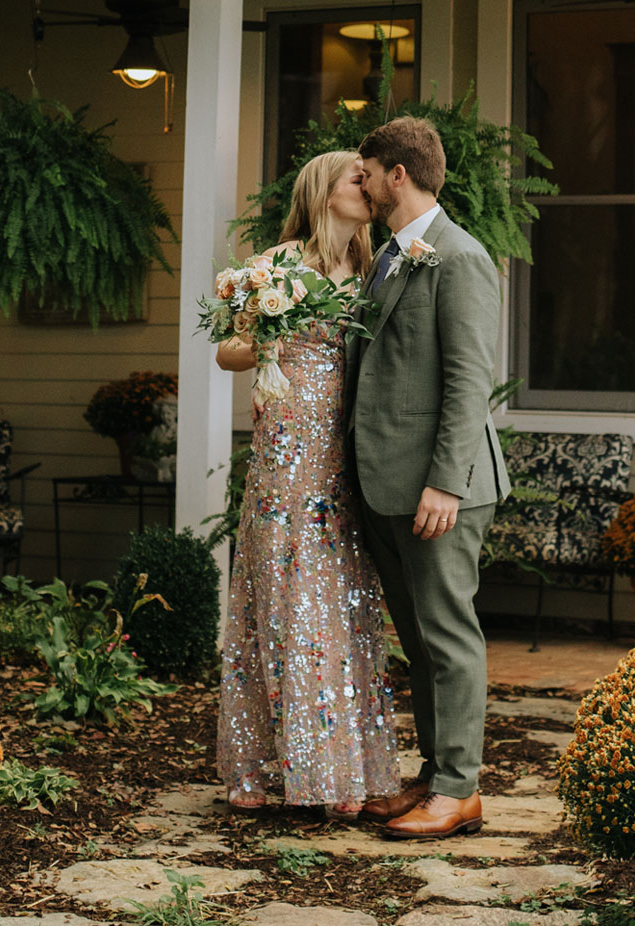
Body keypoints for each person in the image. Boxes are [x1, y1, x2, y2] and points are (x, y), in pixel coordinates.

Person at [215, 150, 400, 820]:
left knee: (340, 600)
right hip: (288, 454)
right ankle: (259, 764)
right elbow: (226, 349)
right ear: (325, 190)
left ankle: (337, 766)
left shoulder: (377, 269)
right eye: (359, 179)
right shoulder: (278, 265)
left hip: (349, 455)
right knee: (284, 595)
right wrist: (270, 334)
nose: (371, 188)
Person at [347, 116, 510, 840]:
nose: (364, 184)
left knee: (448, 636)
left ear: (398, 175)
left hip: (441, 489)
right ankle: (434, 773)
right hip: (386, 480)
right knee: (417, 640)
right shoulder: (390, 256)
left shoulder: (460, 257)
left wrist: (445, 482)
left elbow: (470, 381)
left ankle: (460, 789)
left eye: (368, 171)